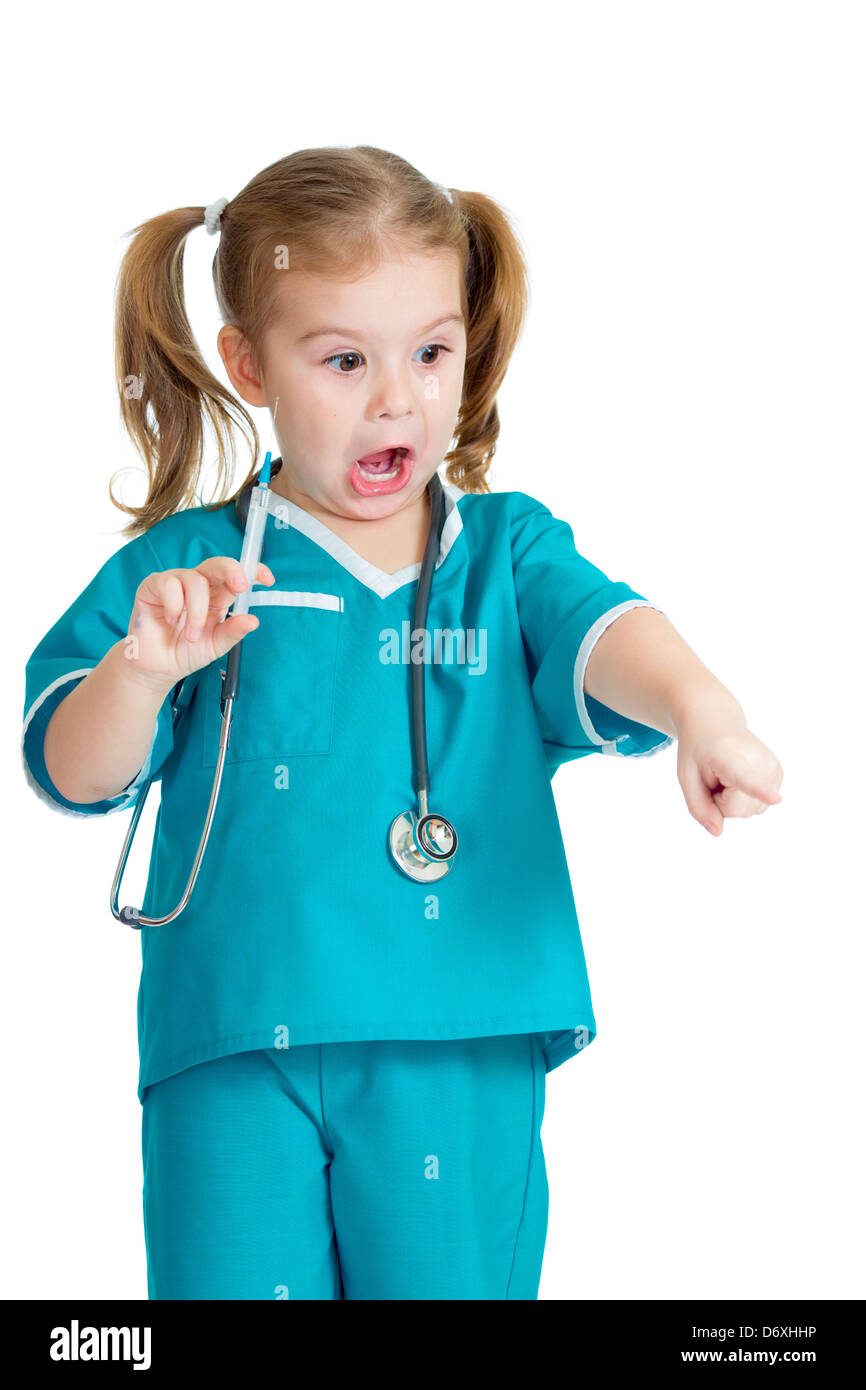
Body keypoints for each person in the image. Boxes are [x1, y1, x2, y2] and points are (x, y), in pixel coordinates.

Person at [21, 145, 783, 1300]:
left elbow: (609, 630)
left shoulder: (503, 555)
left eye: (431, 352)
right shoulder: (192, 570)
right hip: (231, 1048)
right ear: (249, 366)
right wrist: (137, 672)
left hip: (454, 1039)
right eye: (342, 360)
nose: (399, 399)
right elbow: (73, 770)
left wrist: (699, 708)